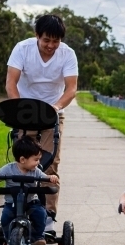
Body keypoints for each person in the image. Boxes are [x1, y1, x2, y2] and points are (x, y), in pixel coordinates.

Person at [5, 13, 78, 228]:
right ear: (37, 36)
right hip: (26, 111)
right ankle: (17, 209)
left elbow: (71, 88)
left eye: (56, 41)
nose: (51, 45)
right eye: (46, 40)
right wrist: (18, 110)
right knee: (23, 163)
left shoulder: (67, 54)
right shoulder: (22, 49)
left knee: (49, 165)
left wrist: (55, 108)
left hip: (52, 113)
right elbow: (11, 82)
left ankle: (47, 217)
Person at [0, 136, 60, 245]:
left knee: (41, 214)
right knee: (5, 218)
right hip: (12, 204)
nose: (38, 162)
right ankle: (9, 238)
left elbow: (45, 177)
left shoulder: (36, 171)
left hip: (31, 202)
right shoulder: (8, 169)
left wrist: (51, 178)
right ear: (22, 160)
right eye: (36, 159)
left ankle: (37, 237)